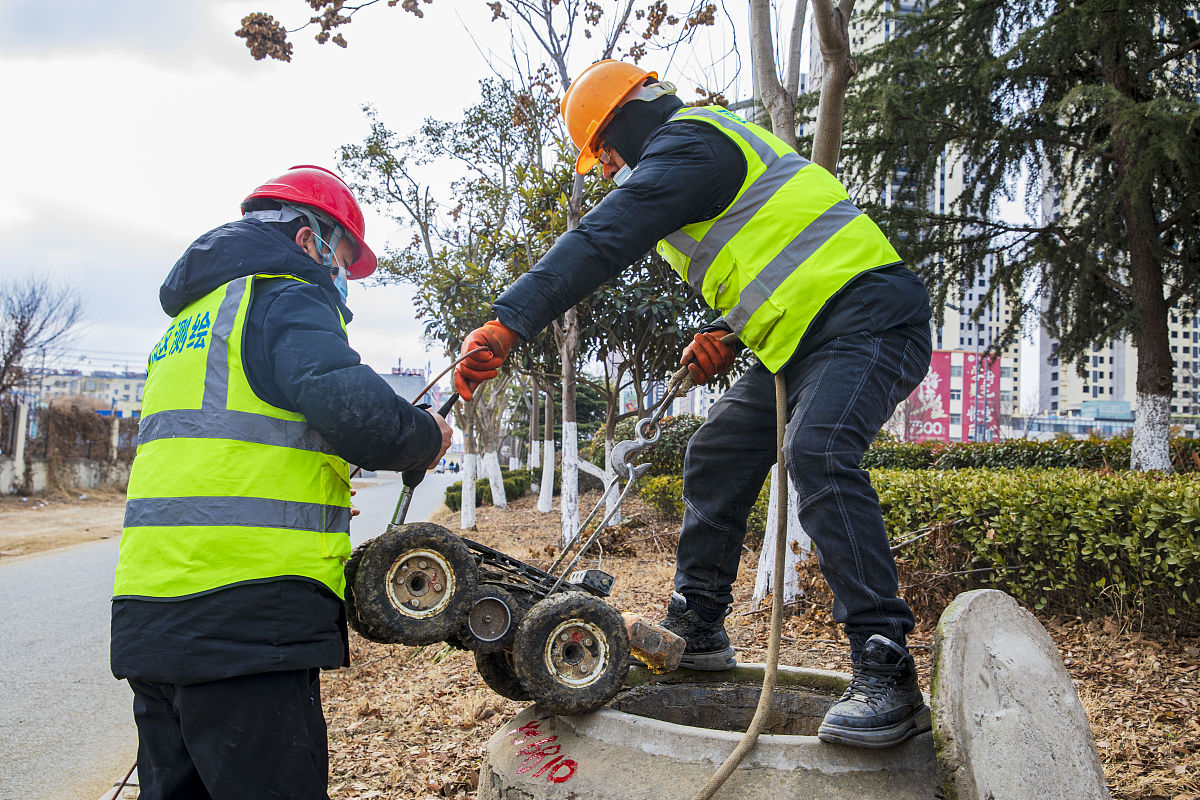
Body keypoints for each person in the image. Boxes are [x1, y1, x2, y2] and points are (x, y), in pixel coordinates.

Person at [453, 61, 933, 748]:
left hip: (870, 320)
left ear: (626, 119)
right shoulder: (702, 152)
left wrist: (510, 321)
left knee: (818, 454)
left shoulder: (692, 143)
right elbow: (784, 254)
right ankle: (699, 627)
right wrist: (727, 334)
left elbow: (601, 238)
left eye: (608, 151)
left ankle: (886, 667)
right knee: (716, 452)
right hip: (798, 341)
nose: (613, 167)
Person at [111, 165, 452, 799]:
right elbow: (360, 414)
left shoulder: (189, 325)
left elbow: (234, 447)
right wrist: (427, 435)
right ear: (306, 241)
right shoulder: (282, 297)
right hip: (243, 621)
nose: (341, 279)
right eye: (342, 261)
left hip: (151, 617)